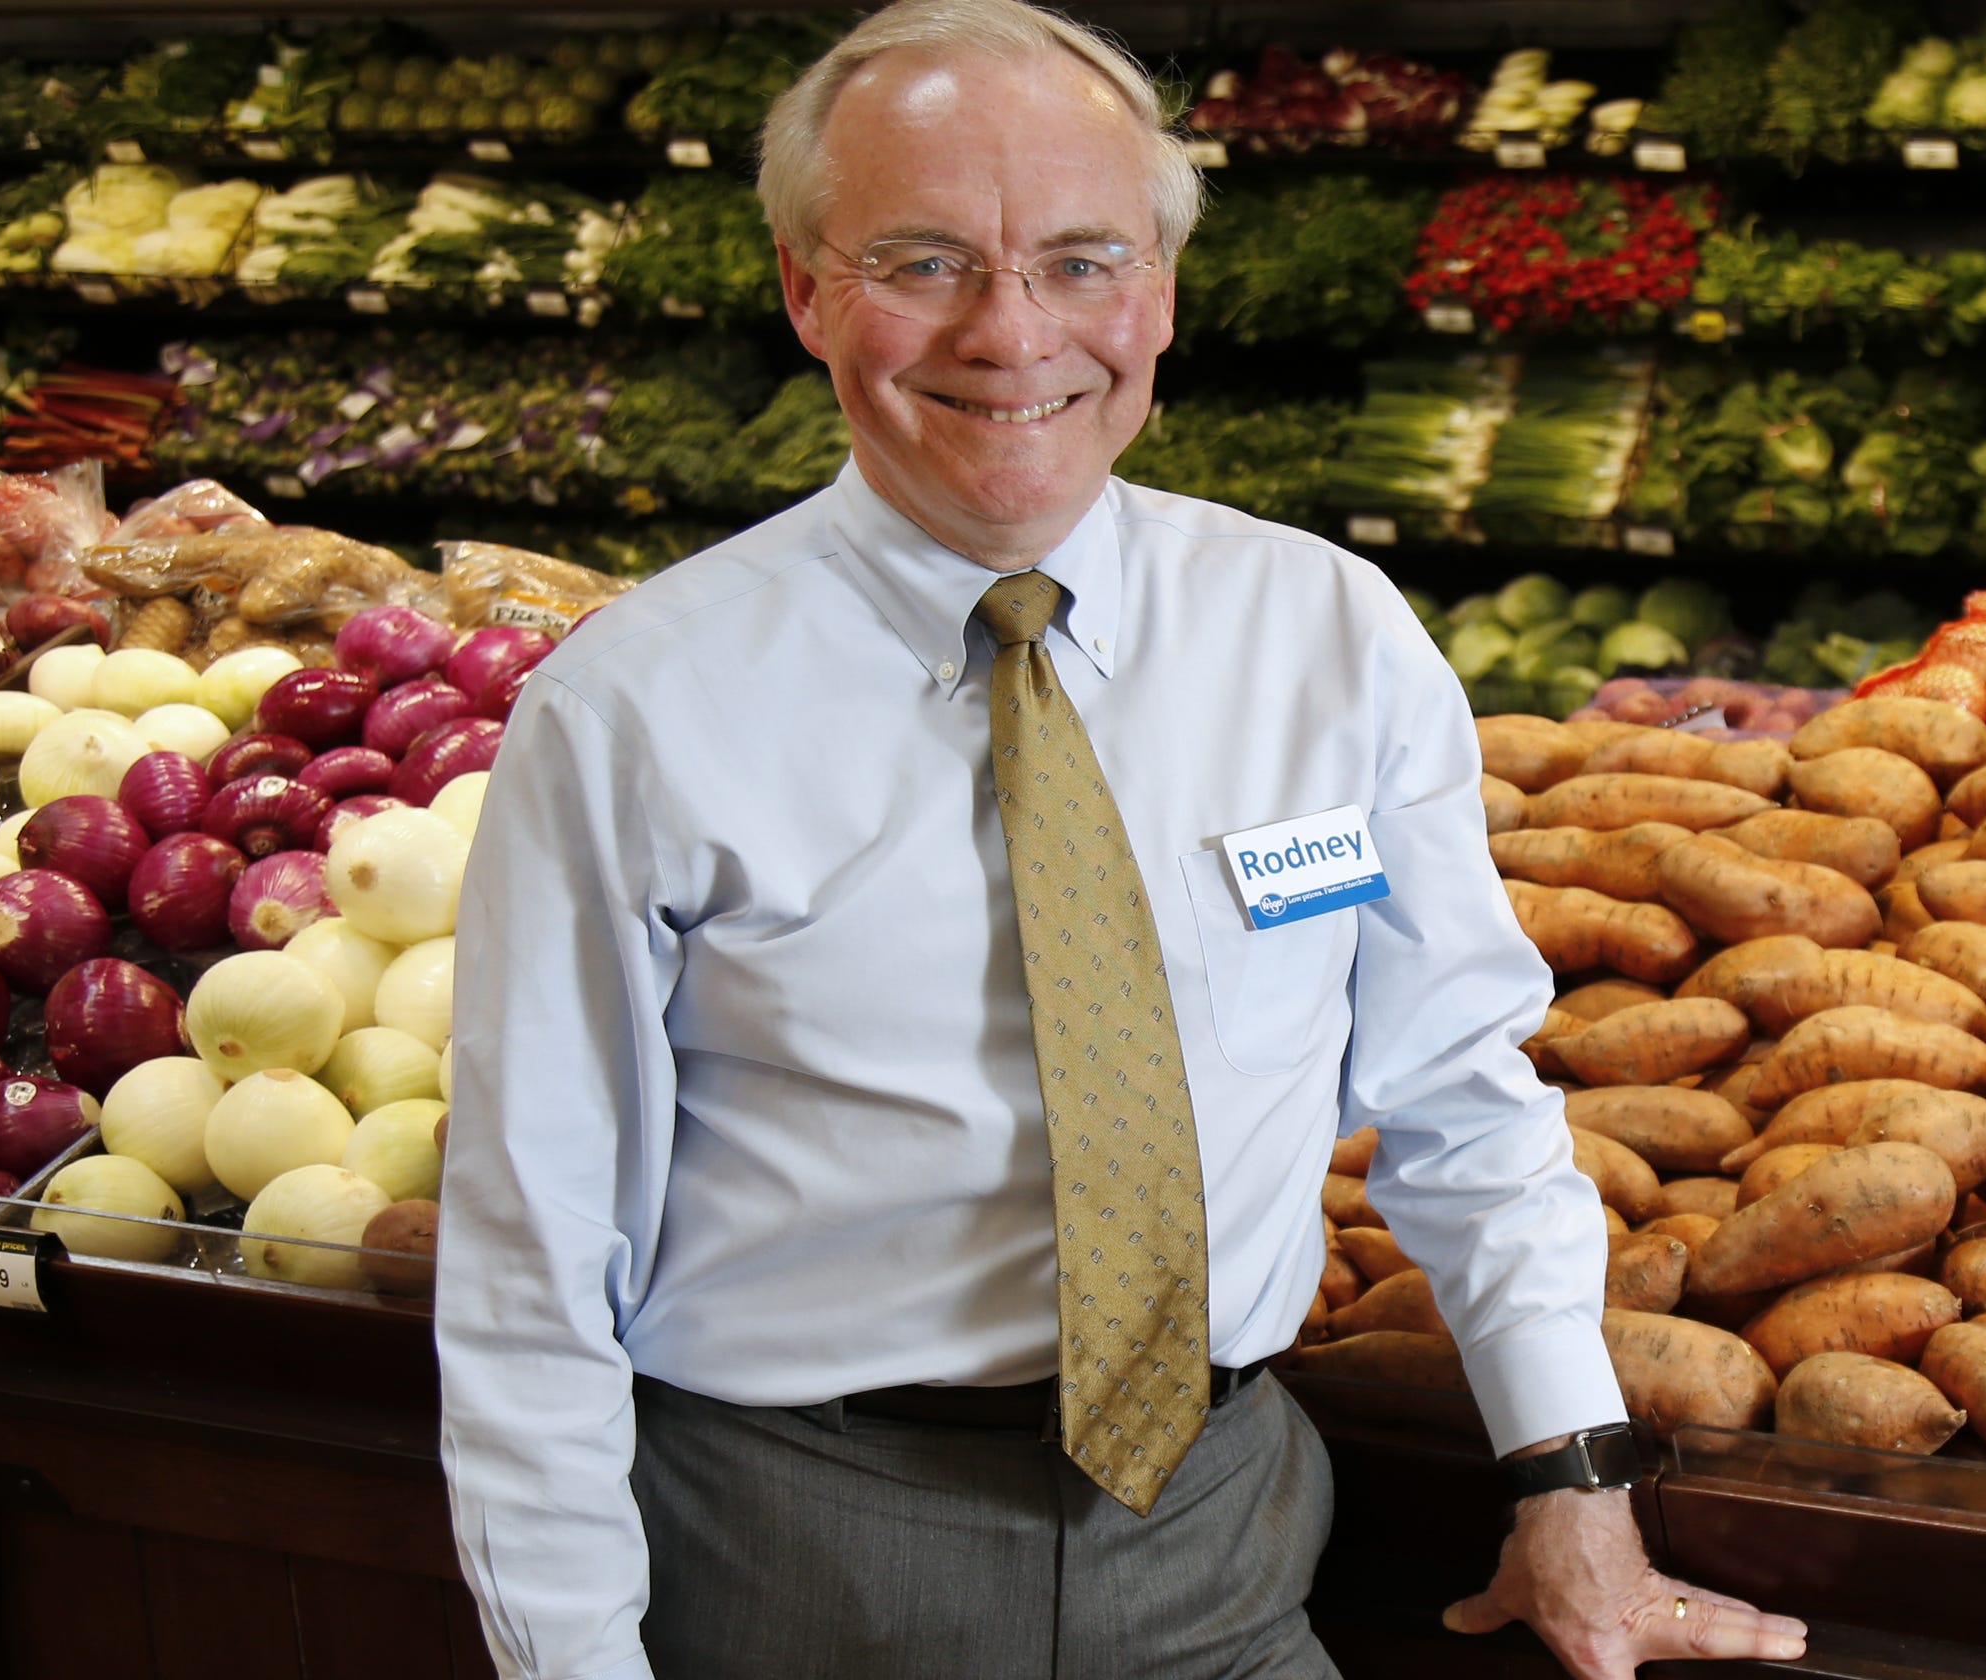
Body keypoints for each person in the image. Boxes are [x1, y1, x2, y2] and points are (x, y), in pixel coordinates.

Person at [433, 3, 1811, 1677]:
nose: (1012, 334)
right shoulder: (633, 711)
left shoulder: (1328, 638)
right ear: (805, 289)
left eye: (1082, 261)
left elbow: (1461, 1089)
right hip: (797, 1552)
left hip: (1219, 1541)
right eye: (923, 263)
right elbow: (530, 1264)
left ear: (1159, 290)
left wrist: (1571, 1476)